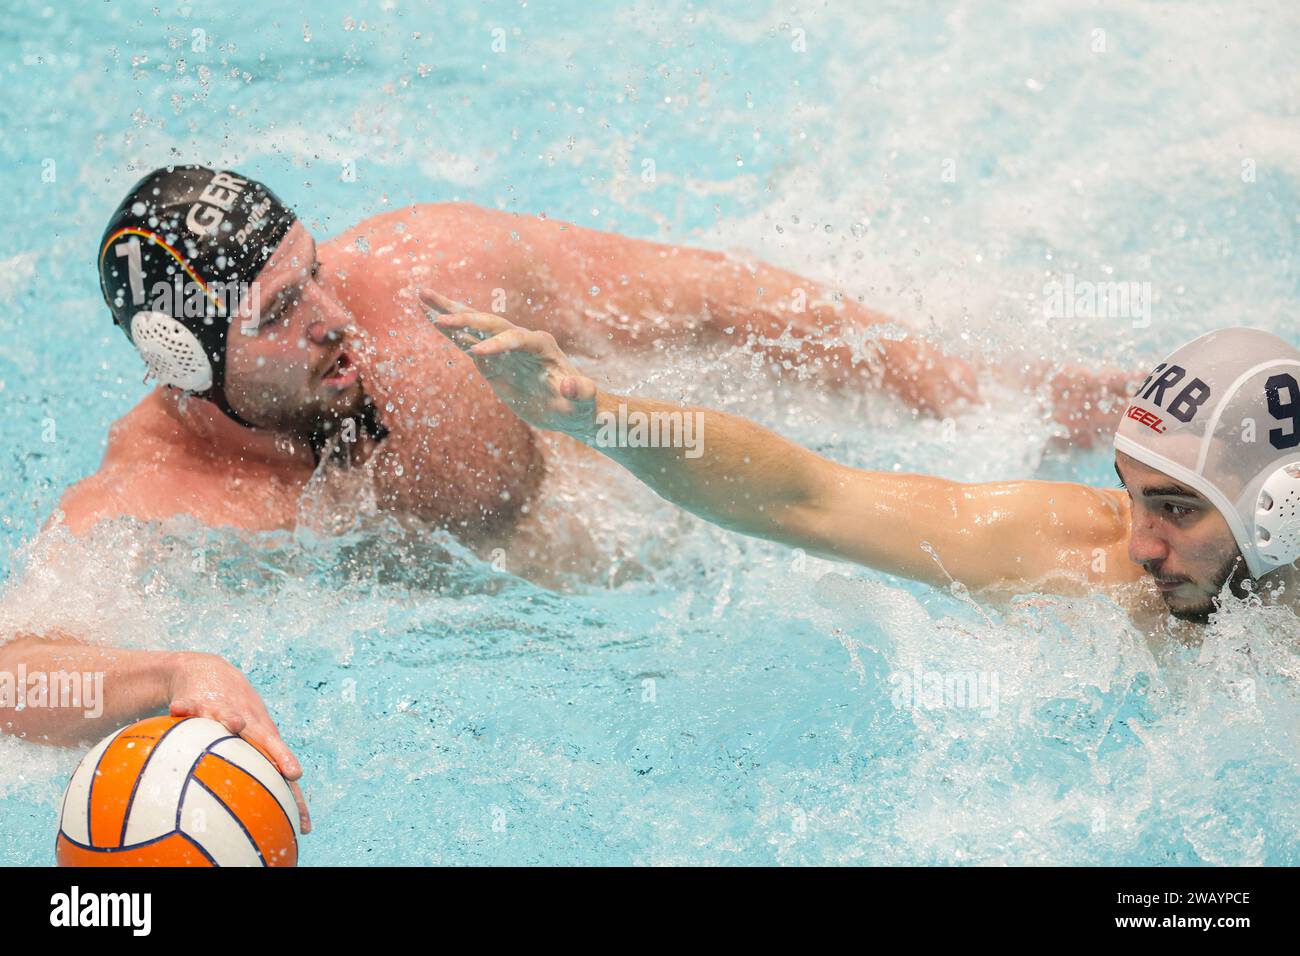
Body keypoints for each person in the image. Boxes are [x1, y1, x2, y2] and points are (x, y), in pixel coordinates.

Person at [2, 163, 1003, 831]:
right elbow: (13, 680)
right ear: (189, 360)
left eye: (312, 272)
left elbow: (721, 305)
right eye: (279, 311)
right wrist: (171, 668)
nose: (333, 315)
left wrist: (967, 392)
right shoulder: (160, 496)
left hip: (736, 531)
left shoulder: (430, 280)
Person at [430, 301, 1300, 627]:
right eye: (1134, 499)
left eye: (1178, 510)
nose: (1141, 543)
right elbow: (806, 496)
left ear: (1277, 507)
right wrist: (594, 418)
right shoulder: (1083, 561)